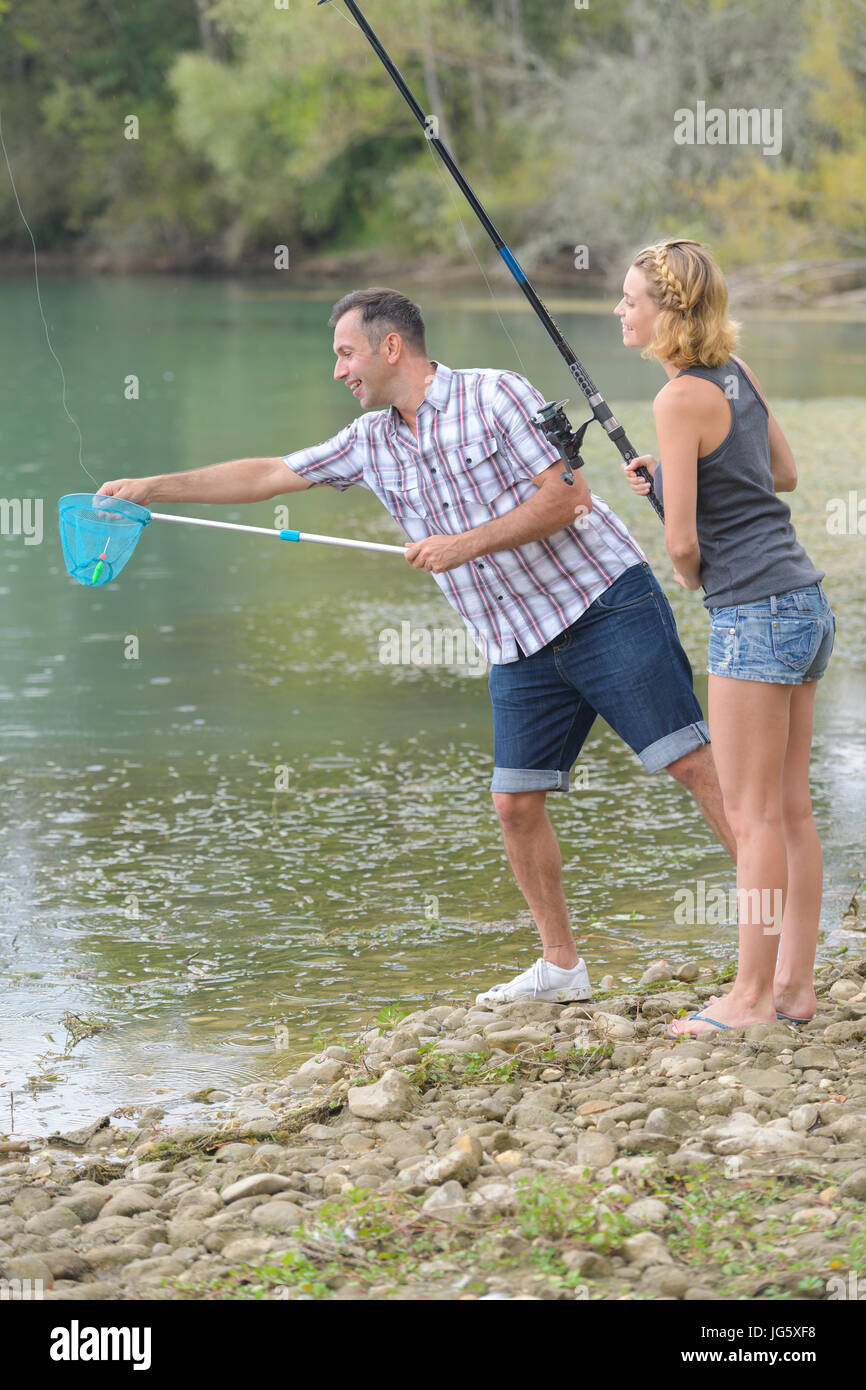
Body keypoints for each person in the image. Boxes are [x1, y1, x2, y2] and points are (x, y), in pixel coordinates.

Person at [98, 285, 735, 1006]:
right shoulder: (370, 442)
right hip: (517, 641)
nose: (339, 371)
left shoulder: (496, 395)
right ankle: (562, 969)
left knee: (691, 763)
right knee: (514, 805)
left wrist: (465, 544)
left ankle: (778, 933)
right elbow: (271, 473)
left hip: (602, 604)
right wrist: (155, 487)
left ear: (389, 346)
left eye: (346, 354)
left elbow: (570, 497)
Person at [618, 239, 835, 1035]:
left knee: (751, 818)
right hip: (806, 602)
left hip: (753, 615)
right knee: (790, 811)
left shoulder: (678, 399)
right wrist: (677, 473)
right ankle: (794, 988)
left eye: (632, 298)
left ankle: (747, 999)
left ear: (668, 312)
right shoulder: (735, 375)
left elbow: (681, 548)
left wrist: (688, 569)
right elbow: (780, 473)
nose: (621, 310)